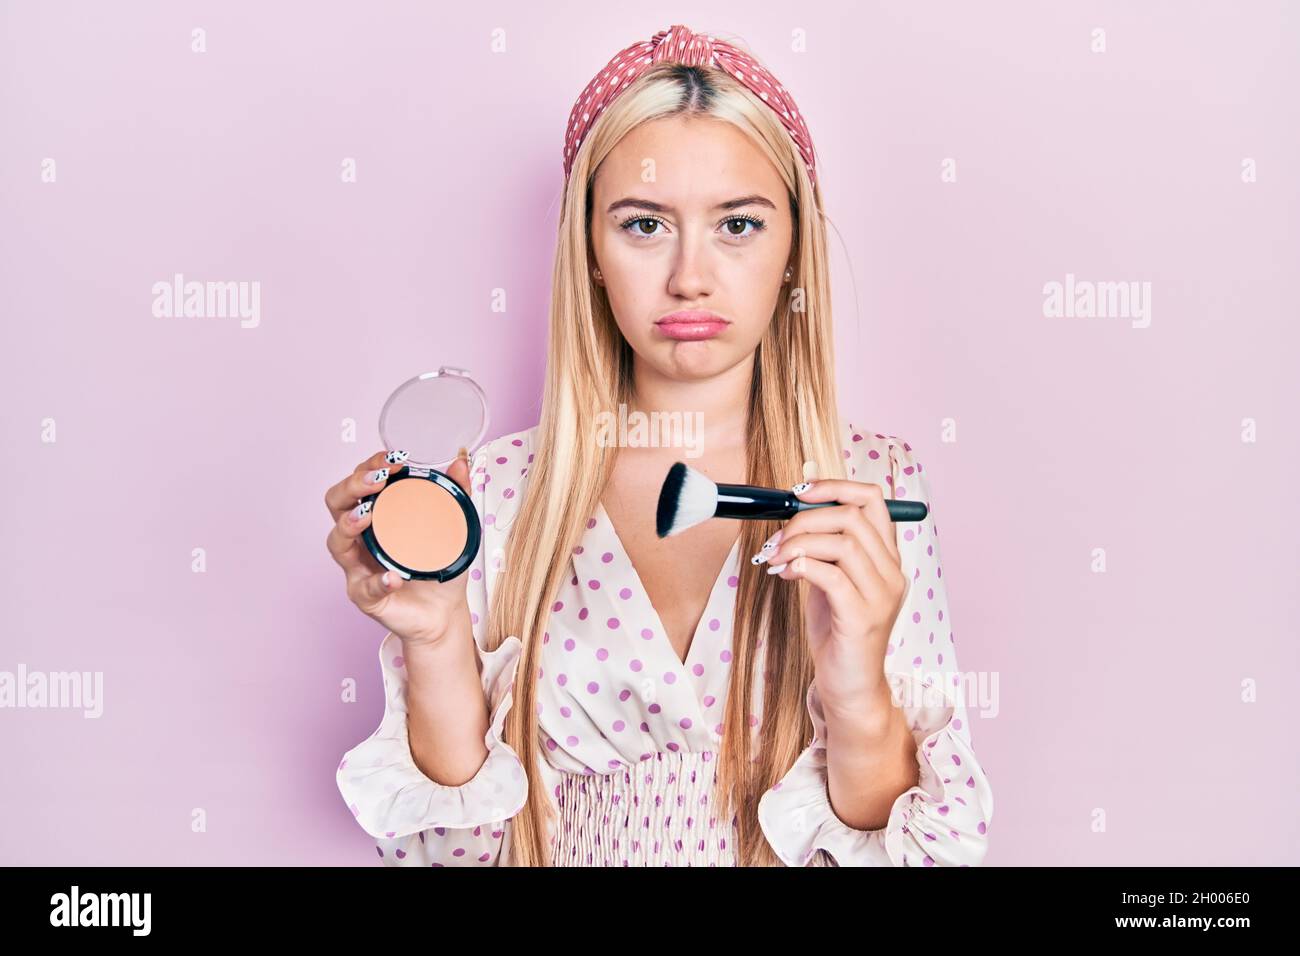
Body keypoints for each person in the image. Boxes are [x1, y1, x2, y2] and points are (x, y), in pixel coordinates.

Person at [324, 23, 993, 866]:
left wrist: (853, 675)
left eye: (739, 225)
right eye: (643, 225)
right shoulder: (493, 493)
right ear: (590, 252)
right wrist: (433, 640)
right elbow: (451, 852)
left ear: (794, 250)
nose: (689, 275)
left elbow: (914, 858)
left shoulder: (873, 488)